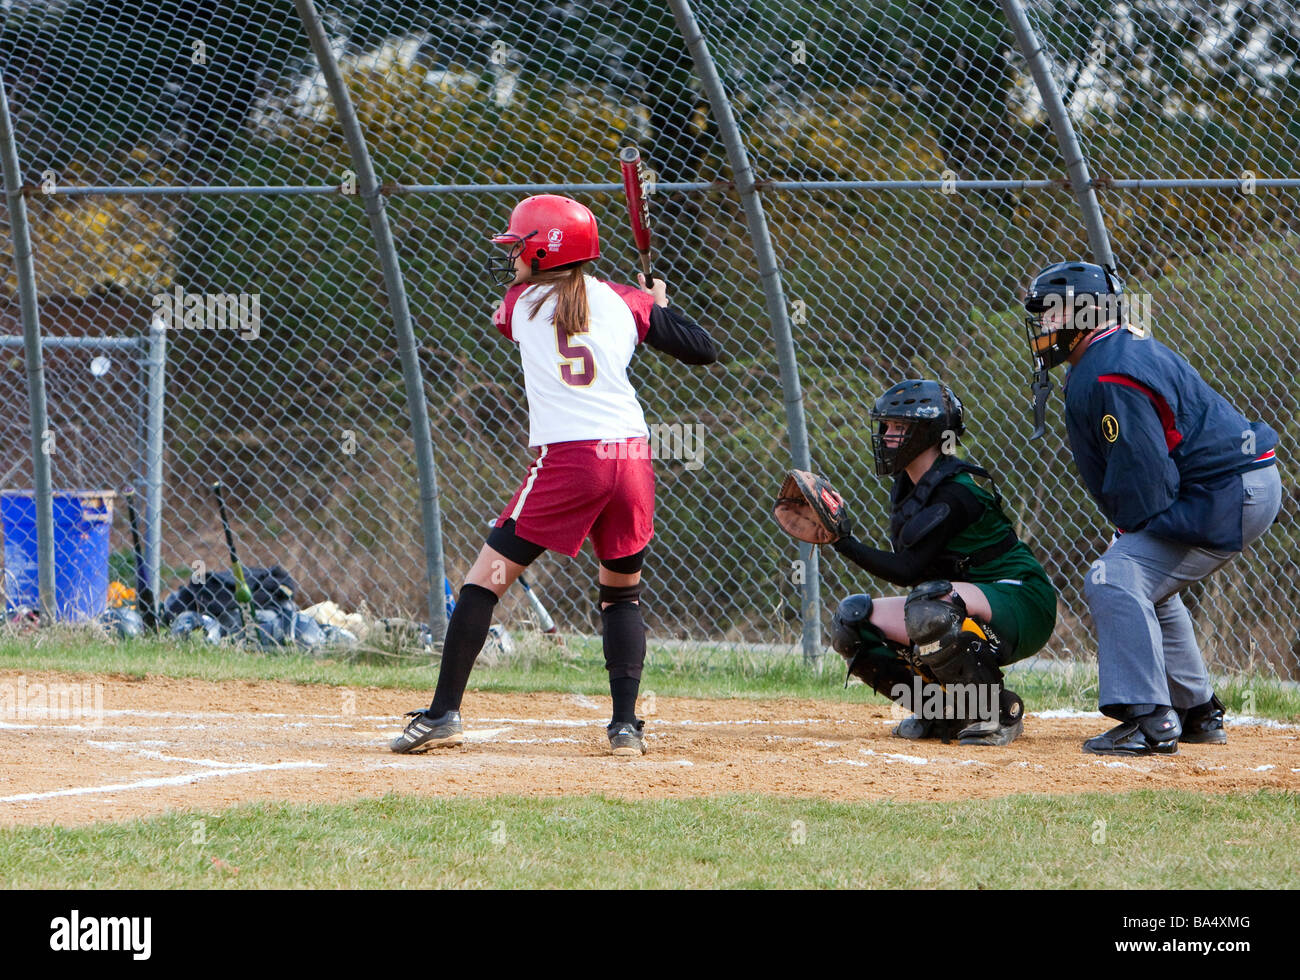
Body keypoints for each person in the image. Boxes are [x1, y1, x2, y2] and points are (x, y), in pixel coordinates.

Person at [392, 194, 718, 757]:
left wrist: (644, 302)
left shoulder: (518, 304)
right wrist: (658, 304)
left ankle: (444, 712)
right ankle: (624, 727)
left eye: (521, 245)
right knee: (621, 595)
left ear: (546, 250)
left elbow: (546, 315)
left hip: (571, 460)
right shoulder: (625, 300)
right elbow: (701, 350)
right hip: (632, 458)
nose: (514, 256)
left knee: (482, 582)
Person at [1022, 260, 1282, 755]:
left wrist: (1129, 530)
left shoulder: (1104, 373)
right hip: (1236, 485)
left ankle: (1150, 718)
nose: (1044, 326)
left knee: (1113, 578)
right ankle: (1196, 711)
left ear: (1083, 313)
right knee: (1142, 582)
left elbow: (1143, 467)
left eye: (1052, 314)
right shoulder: (1113, 351)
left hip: (1230, 493)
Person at [821, 379, 1058, 746]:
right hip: (967, 597)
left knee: (929, 609)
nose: (886, 436)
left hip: (1021, 598)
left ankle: (994, 712)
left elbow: (907, 571)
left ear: (929, 433)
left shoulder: (956, 490)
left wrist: (842, 542)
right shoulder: (910, 483)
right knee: (851, 623)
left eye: (898, 428)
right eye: (885, 426)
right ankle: (942, 711)